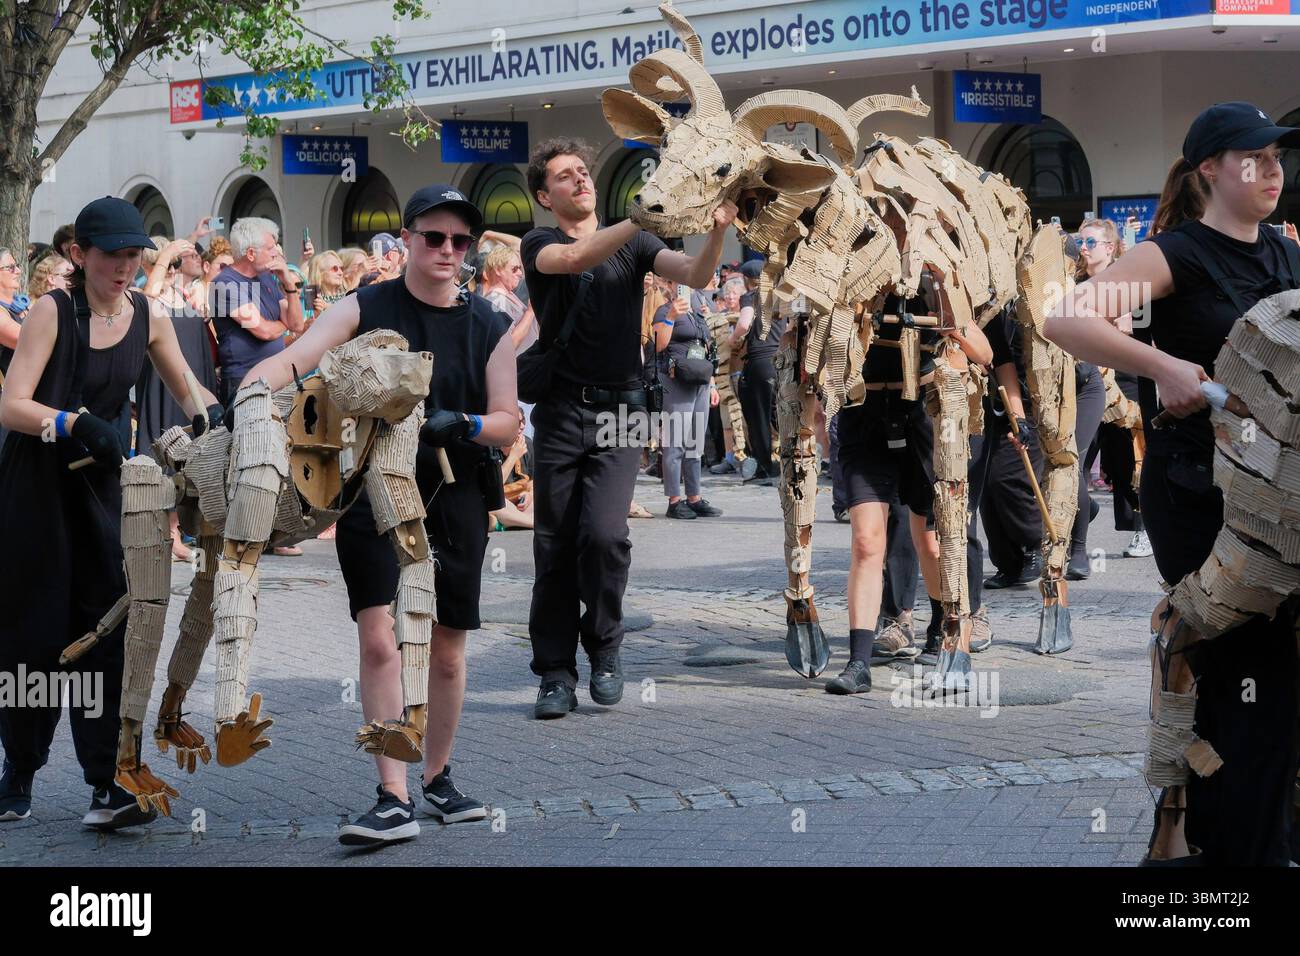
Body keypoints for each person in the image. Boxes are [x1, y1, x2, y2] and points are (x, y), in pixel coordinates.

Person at [1045, 102, 1300, 866]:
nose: (1271, 171)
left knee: (1270, 688)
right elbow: (1066, 319)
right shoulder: (1175, 255)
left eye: (1277, 157)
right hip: (1200, 493)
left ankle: (1234, 844)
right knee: (1252, 679)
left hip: (1277, 494)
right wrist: (1159, 367)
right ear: (1209, 171)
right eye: (1251, 158)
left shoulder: (1286, 257)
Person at [241, 184, 516, 846]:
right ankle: (392, 794)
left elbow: (507, 423)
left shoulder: (490, 324)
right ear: (407, 239)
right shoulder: (366, 305)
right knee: (379, 639)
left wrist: (468, 423)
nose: (447, 250)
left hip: (456, 494)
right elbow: (295, 358)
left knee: (446, 650)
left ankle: (438, 776)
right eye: (434, 237)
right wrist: (251, 392)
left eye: (459, 240)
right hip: (370, 489)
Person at [0, 197, 220, 829]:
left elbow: (187, 389)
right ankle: (18, 770)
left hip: (102, 493)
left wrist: (222, 415)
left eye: (133, 256)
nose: (124, 267)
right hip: (34, 488)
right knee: (34, 634)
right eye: (111, 256)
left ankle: (107, 781)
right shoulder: (52, 310)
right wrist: (71, 421)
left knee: (107, 633)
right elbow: (13, 405)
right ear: (78, 256)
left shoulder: (147, 314)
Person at [520, 137, 736, 719]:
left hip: (621, 413)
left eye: (584, 172)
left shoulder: (636, 241)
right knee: (555, 546)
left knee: (606, 537)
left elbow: (693, 270)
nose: (581, 180)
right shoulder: (538, 243)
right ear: (546, 195)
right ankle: (556, 674)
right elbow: (575, 259)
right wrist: (637, 218)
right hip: (563, 411)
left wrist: (716, 230)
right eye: (565, 176)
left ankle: (607, 649)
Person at [826, 287, 993, 694]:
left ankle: (942, 625)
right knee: (867, 542)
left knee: (931, 542)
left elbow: (984, 354)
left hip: (922, 411)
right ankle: (858, 662)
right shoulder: (852, 268)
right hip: (861, 411)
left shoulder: (933, 274)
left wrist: (950, 321)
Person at [135, 241, 220, 561]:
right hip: (160, 383)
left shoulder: (183, 294)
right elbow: (145, 305)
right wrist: (166, 258)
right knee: (163, 451)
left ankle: (177, 531)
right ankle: (163, 534)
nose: (173, 270)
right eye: (169, 265)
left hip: (192, 378)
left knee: (188, 452)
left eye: (174, 265)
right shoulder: (144, 292)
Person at [1076, 218, 1152, 558]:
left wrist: (1125, 325)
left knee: (1129, 461)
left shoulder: (1129, 283)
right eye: (1081, 241)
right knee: (1075, 458)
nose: (1083, 248)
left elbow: (1146, 329)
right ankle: (1079, 517)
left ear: (1109, 248)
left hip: (1125, 382)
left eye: (1090, 242)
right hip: (1086, 382)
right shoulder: (1074, 283)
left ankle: (1144, 529)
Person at [208, 217, 306, 407]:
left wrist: (289, 283)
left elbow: (297, 325)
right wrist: (283, 323)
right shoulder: (224, 283)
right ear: (251, 253)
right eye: (270, 248)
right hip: (244, 380)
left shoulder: (267, 278)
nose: (276, 253)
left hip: (277, 375)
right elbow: (264, 331)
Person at [651, 277, 722, 519]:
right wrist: (671, 314)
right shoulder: (664, 310)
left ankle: (694, 496)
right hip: (675, 379)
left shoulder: (698, 314)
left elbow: (706, 350)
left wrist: (712, 384)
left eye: (687, 283)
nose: (684, 287)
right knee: (675, 443)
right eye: (678, 283)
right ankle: (674, 500)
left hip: (700, 381)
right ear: (669, 286)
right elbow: (659, 344)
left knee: (695, 443)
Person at [731, 259, 783, 483]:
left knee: (758, 416)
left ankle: (764, 466)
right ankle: (790, 461)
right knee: (779, 414)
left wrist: (733, 339)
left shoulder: (751, 296)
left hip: (759, 361)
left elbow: (743, 324)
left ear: (746, 280)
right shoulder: (778, 297)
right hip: (779, 359)